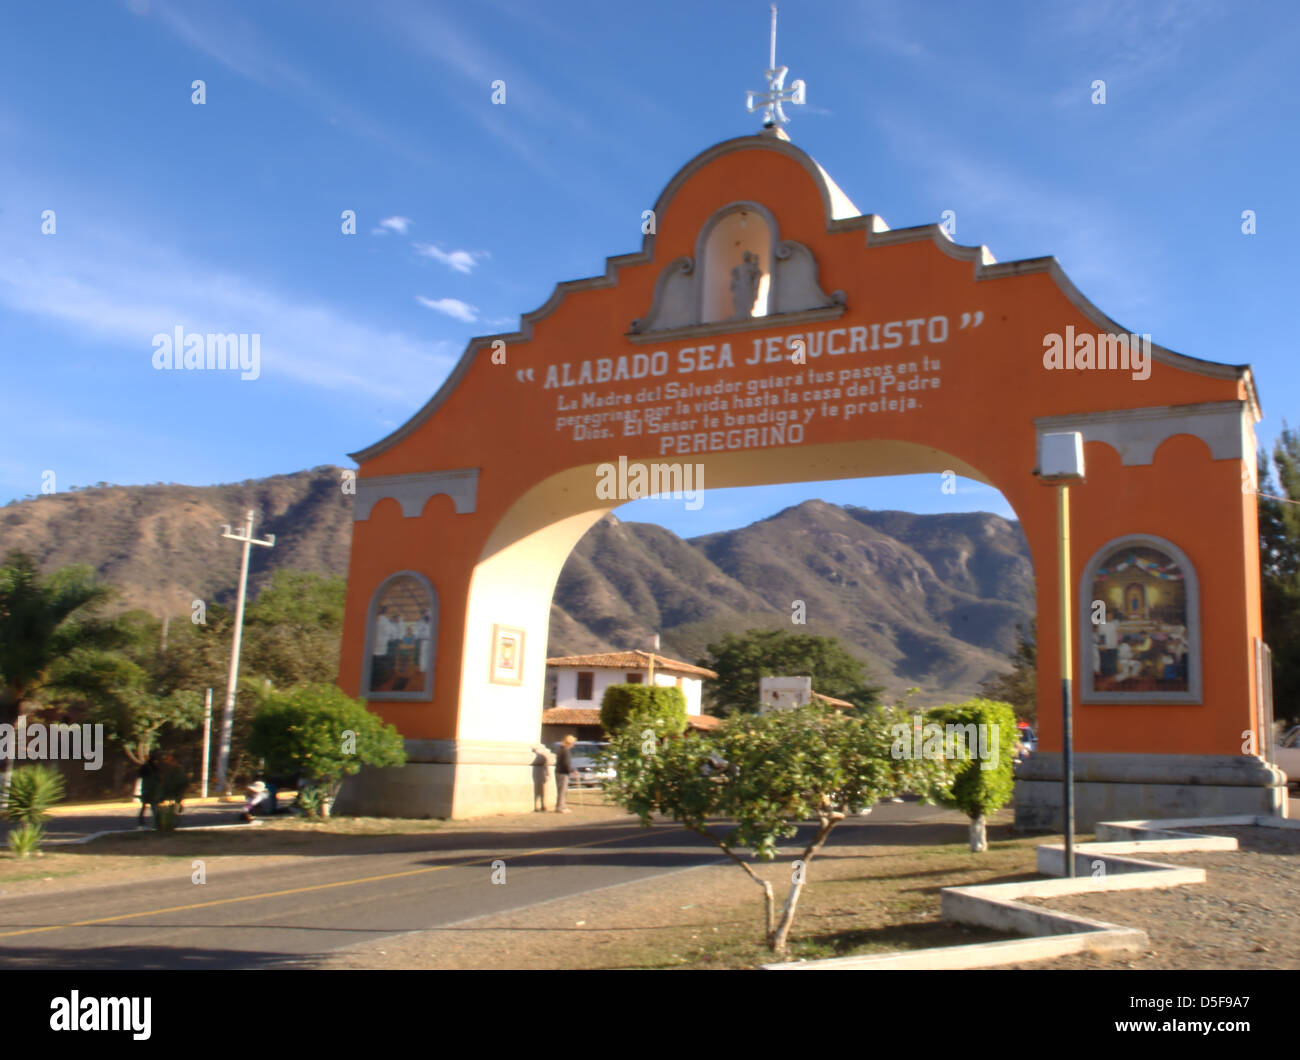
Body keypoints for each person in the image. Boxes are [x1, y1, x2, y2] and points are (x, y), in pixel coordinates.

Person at [555, 735, 578, 813]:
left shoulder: (560, 749)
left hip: (559, 771)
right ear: (570, 743)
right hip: (563, 773)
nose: (573, 745)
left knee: (561, 790)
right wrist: (573, 770)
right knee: (562, 790)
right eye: (573, 743)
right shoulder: (566, 751)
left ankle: (561, 806)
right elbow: (566, 763)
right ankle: (560, 807)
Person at [137, 750, 160, 828]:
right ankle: (155, 822)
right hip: (150, 789)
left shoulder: (147, 766)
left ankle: (142, 822)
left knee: (146, 806)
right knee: (153, 806)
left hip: (148, 789)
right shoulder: (151, 767)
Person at [531, 744, 554, 812]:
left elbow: (546, 765)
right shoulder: (543, 756)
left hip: (539, 775)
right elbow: (547, 766)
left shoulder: (541, 757)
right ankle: (542, 805)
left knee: (539, 791)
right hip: (542, 775)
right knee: (542, 791)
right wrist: (548, 774)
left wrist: (547, 774)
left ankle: (540, 805)